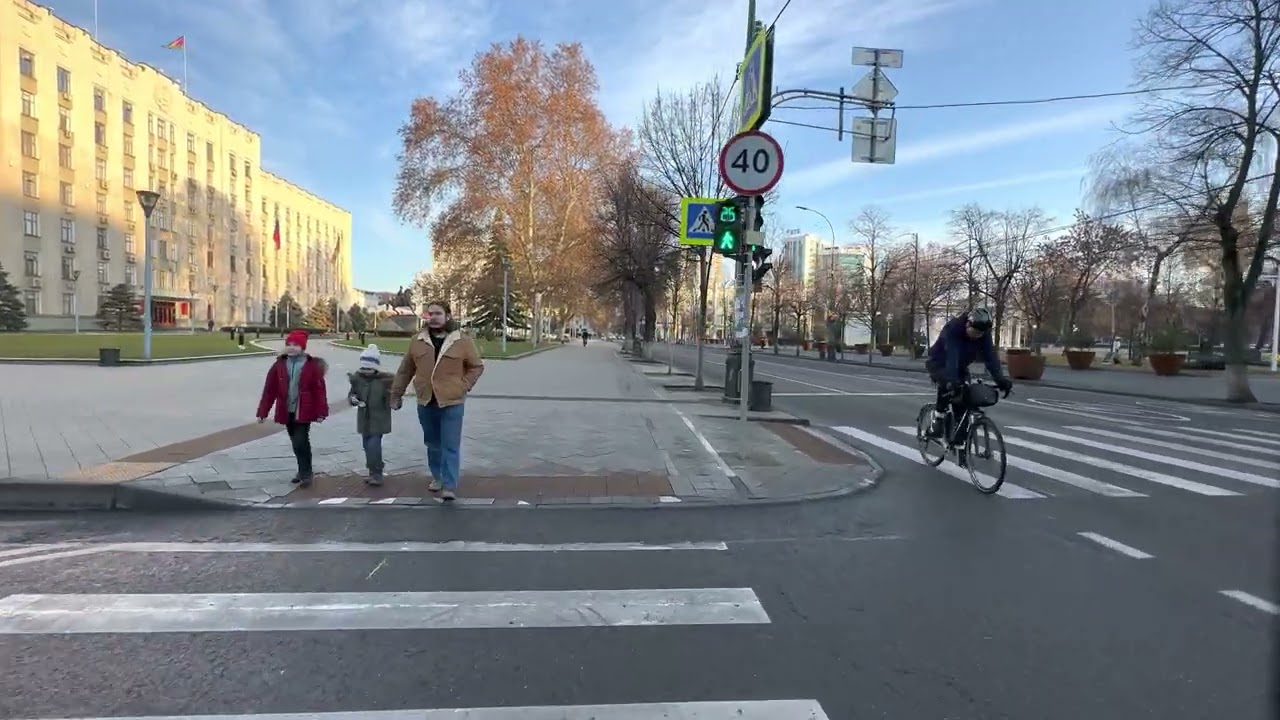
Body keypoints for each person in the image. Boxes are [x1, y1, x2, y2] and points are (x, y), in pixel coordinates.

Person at [390, 302, 484, 502]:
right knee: (432, 443)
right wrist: (395, 395)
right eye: (430, 313)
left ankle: (449, 485)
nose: (433, 317)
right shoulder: (418, 341)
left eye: (438, 313)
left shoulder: (462, 341)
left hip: (452, 401)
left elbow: (476, 366)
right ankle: (438, 477)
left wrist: (463, 385)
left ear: (447, 316)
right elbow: (405, 370)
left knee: (450, 444)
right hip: (426, 400)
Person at [924, 308, 1012, 440]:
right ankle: (938, 418)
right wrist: (952, 381)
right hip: (939, 362)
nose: (976, 336)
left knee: (963, 401)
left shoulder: (984, 334)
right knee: (947, 385)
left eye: (980, 334)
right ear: (968, 324)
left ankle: (960, 446)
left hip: (960, 365)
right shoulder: (953, 328)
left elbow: (990, 357)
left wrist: (1001, 380)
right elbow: (952, 356)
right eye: (975, 333)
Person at [256, 330, 329, 487]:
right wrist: (263, 411)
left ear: (302, 347)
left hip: (304, 410)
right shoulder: (279, 365)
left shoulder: (310, 366)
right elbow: (269, 390)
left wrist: (321, 411)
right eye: (289, 344)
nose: (291, 347)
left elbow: (319, 390)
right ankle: (302, 470)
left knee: (300, 440)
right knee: (296, 442)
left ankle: (306, 473)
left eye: (295, 344)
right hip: (286, 410)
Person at [347, 344, 394, 486]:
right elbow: (352, 394)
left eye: (369, 368)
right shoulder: (357, 379)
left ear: (375, 367)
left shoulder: (384, 382)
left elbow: (392, 398)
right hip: (364, 418)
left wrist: (394, 401)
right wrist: (353, 399)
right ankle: (373, 470)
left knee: (374, 445)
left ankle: (377, 473)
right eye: (364, 368)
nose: (366, 371)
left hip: (379, 419)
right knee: (366, 445)